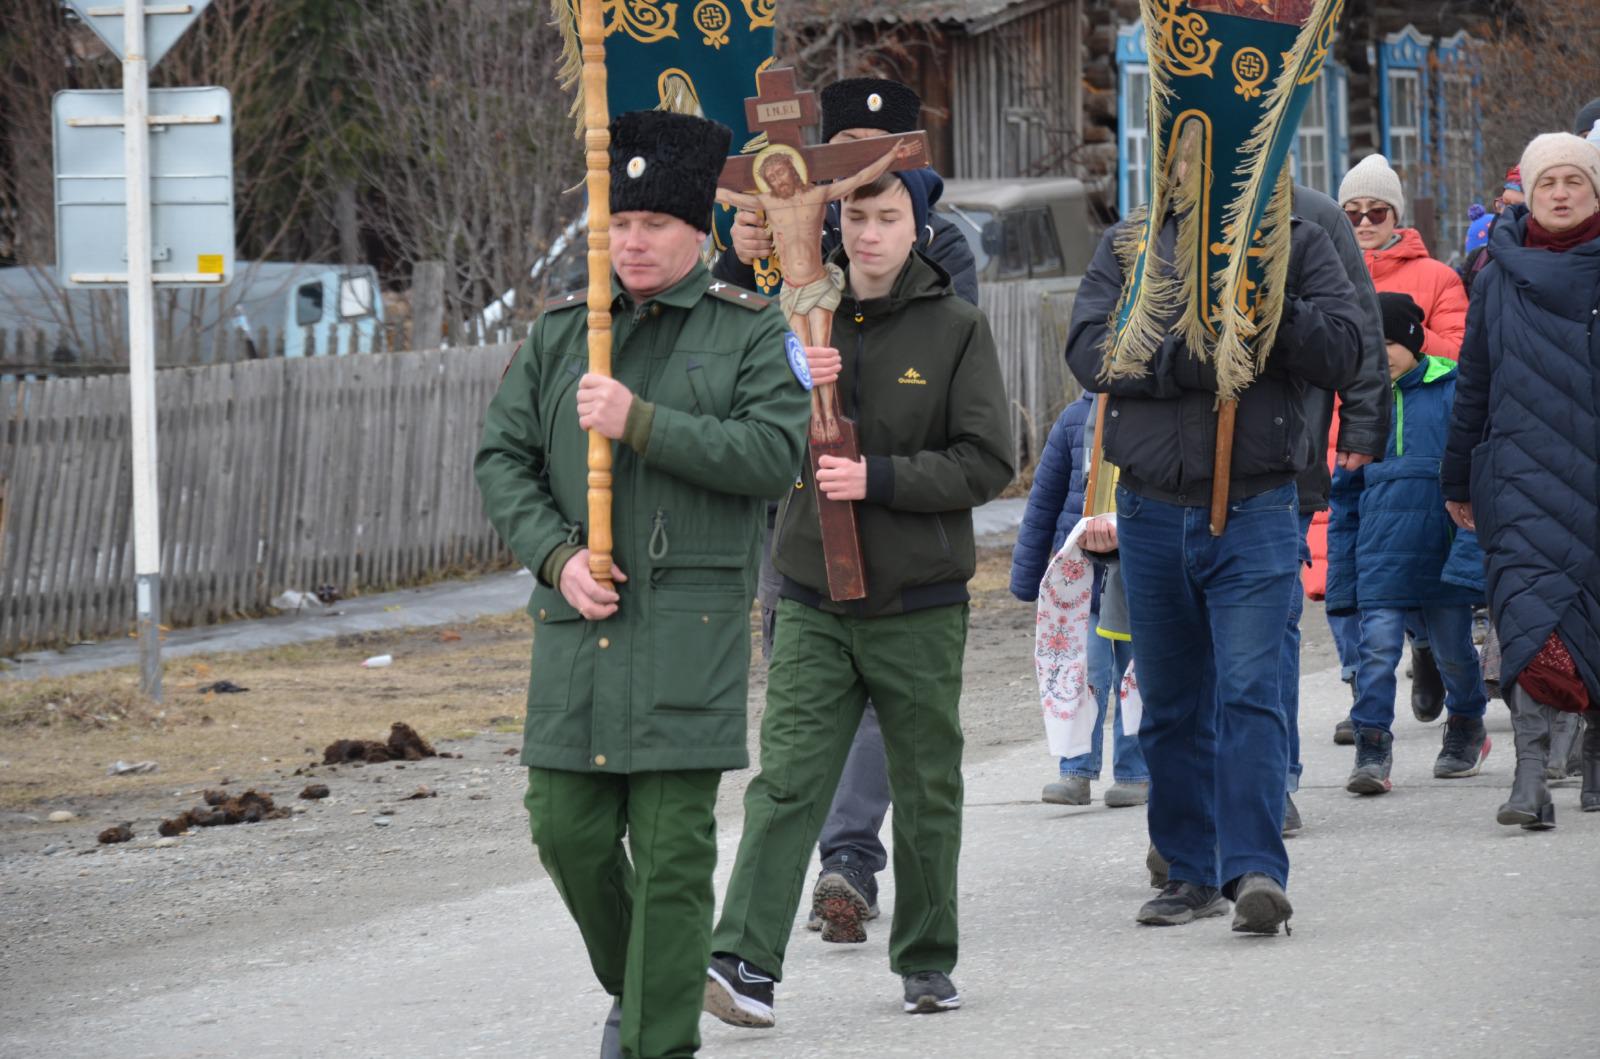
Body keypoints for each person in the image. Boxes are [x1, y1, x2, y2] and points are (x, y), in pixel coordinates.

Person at [474, 110, 812, 1059]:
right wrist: (556, 557)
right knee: (564, 831)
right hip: (579, 626)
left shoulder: (750, 330)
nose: (631, 242)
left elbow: (774, 454)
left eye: (652, 225)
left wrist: (640, 420)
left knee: (671, 861)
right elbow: (502, 459)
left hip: (685, 634)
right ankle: (651, 977)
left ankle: (654, 1040)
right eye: (618, 224)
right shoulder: (560, 335)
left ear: (697, 231)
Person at [703, 164, 1014, 1026]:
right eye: (856, 217)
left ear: (918, 228)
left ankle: (924, 958)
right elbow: (741, 424)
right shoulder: (801, 318)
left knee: (925, 786)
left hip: (917, 599)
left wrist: (875, 476)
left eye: (887, 217)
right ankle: (743, 964)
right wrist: (796, 385)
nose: (870, 233)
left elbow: (989, 459)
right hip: (809, 594)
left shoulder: (955, 329)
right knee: (787, 783)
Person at [1066, 179, 1364, 936]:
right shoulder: (1131, 244)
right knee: (1169, 703)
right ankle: (1189, 870)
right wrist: (1186, 360)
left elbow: (1345, 347)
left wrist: (1271, 314)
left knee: (1250, 692)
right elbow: (1089, 349)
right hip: (1151, 509)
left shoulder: (1297, 240)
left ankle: (1256, 867)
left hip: (1258, 507)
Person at [1442, 132, 1600, 828]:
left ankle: (1595, 761)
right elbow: (1473, 378)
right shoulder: (1497, 272)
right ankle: (1530, 777)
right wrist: (1457, 477)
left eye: (1576, 181)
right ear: (1529, 194)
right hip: (1520, 473)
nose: (1561, 193)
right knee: (1528, 621)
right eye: (1547, 183)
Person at [1325, 292, 1490, 795]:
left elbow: (1473, 479)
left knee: (1454, 653)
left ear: (1414, 342)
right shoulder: (1360, 404)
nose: (1380, 353)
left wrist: (1469, 557)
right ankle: (1372, 746)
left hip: (1439, 551)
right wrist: (1342, 578)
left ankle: (1466, 725)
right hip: (1379, 556)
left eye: (1389, 342)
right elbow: (1344, 502)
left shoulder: (1453, 391)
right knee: (1375, 651)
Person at [1337, 152, 1473, 734]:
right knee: (1344, 574)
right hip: (1341, 435)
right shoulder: (1326, 270)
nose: (1364, 222)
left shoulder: (1438, 276)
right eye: (1352, 213)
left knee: (1420, 562)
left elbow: (1461, 351)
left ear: (1396, 214)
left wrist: (1398, 338)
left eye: (1376, 210)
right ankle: (1360, 692)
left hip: (1414, 425)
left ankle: (1428, 653)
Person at [1283, 183, 1390, 827]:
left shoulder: (1314, 216)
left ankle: (1276, 780)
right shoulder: (1159, 214)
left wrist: (1361, 425)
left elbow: (1361, 326)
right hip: (1174, 468)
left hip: (1285, 460)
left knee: (1268, 628)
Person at [1011, 392, 1149, 808]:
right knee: (1079, 669)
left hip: (1136, 574)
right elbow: (1044, 501)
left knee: (1137, 673)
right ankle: (1075, 770)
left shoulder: (1154, 414)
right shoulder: (1073, 419)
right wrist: (1026, 576)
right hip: (1080, 580)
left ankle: (1136, 771)